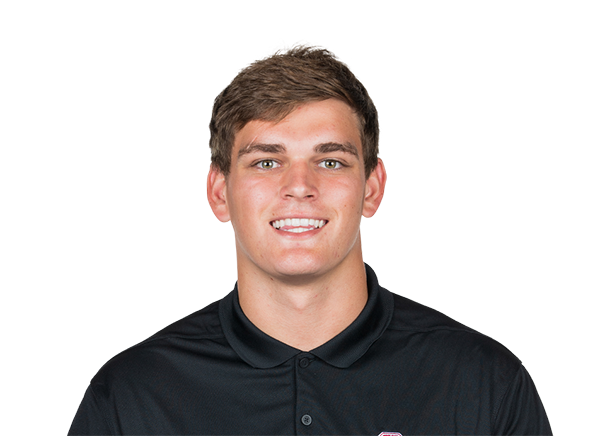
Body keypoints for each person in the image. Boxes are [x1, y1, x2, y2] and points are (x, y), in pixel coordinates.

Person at [69, 50, 552, 435]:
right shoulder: (132, 395)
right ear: (220, 193)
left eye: (331, 161)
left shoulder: (484, 383)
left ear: (372, 189)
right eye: (266, 162)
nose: (299, 186)